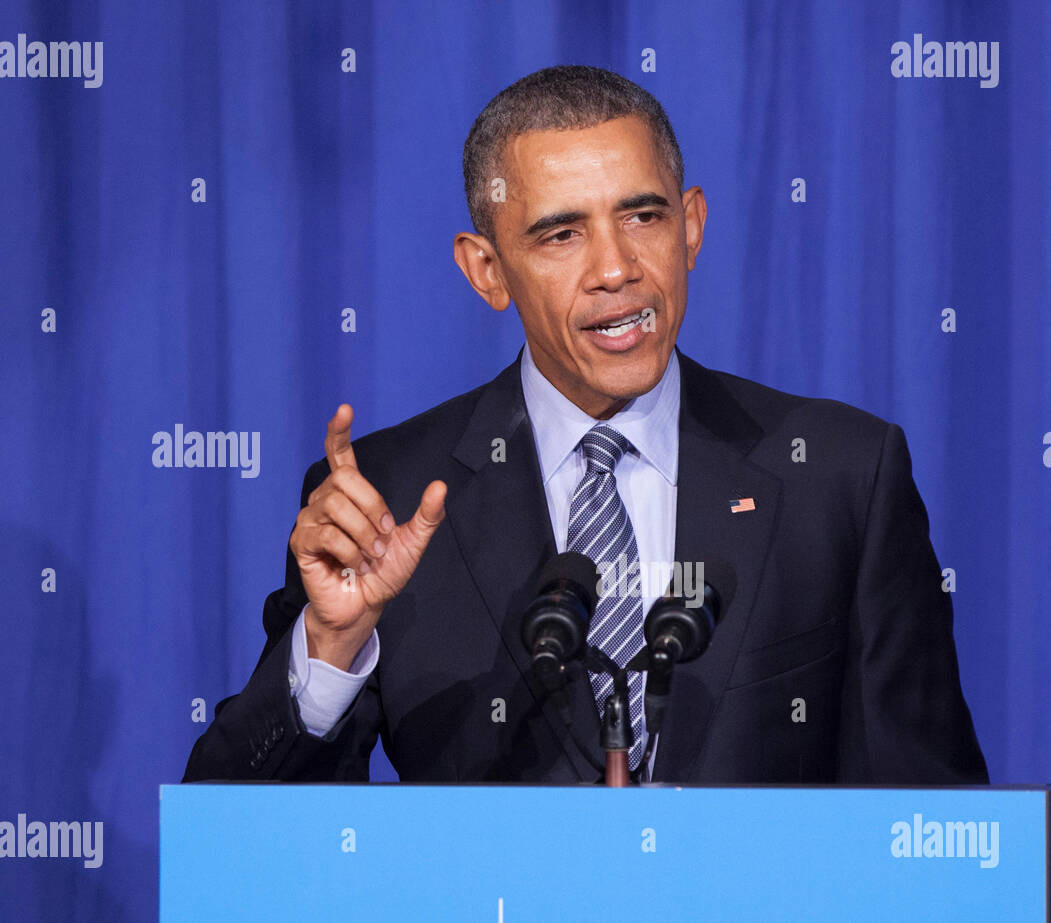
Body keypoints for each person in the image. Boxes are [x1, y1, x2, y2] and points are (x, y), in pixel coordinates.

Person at [184, 65, 987, 787]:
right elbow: (241, 839)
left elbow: (926, 819)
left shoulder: (840, 476)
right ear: (487, 270)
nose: (616, 269)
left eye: (643, 217)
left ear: (692, 226)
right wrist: (331, 647)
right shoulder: (385, 500)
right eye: (562, 234)